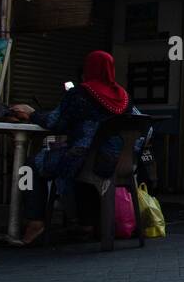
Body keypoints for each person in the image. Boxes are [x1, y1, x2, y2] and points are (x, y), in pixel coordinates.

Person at [9, 50, 136, 246]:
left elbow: (56, 122)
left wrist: (31, 113)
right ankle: (85, 224)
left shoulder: (79, 93)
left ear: (88, 69)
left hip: (86, 161)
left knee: (31, 165)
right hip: (119, 162)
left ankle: (35, 221)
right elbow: (141, 123)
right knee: (77, 170)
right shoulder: (124, 97)